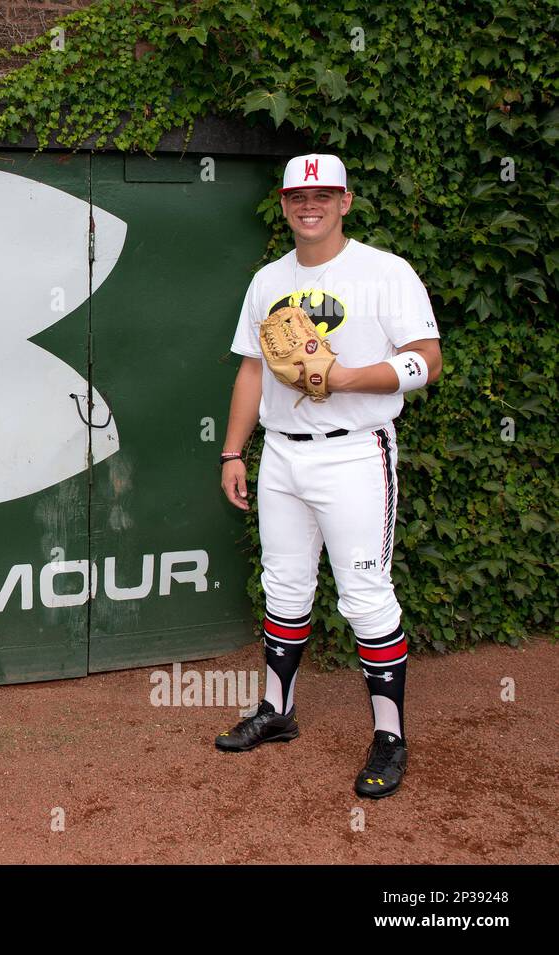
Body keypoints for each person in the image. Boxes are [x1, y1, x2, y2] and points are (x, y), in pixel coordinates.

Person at [215, 154, 442, 799]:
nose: (307, 204)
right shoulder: (267, 281)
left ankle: (390, 737)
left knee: (365, 595)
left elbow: (428, 361)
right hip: (282, 453)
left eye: (322, 194)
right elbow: (252, 371)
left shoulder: (384, 272)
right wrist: (234, 452)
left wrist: (346, 376)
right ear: (283, 203)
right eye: (296, 195)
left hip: (353, 451)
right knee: (284, 585)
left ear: (345, 200)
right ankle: (277, 711)